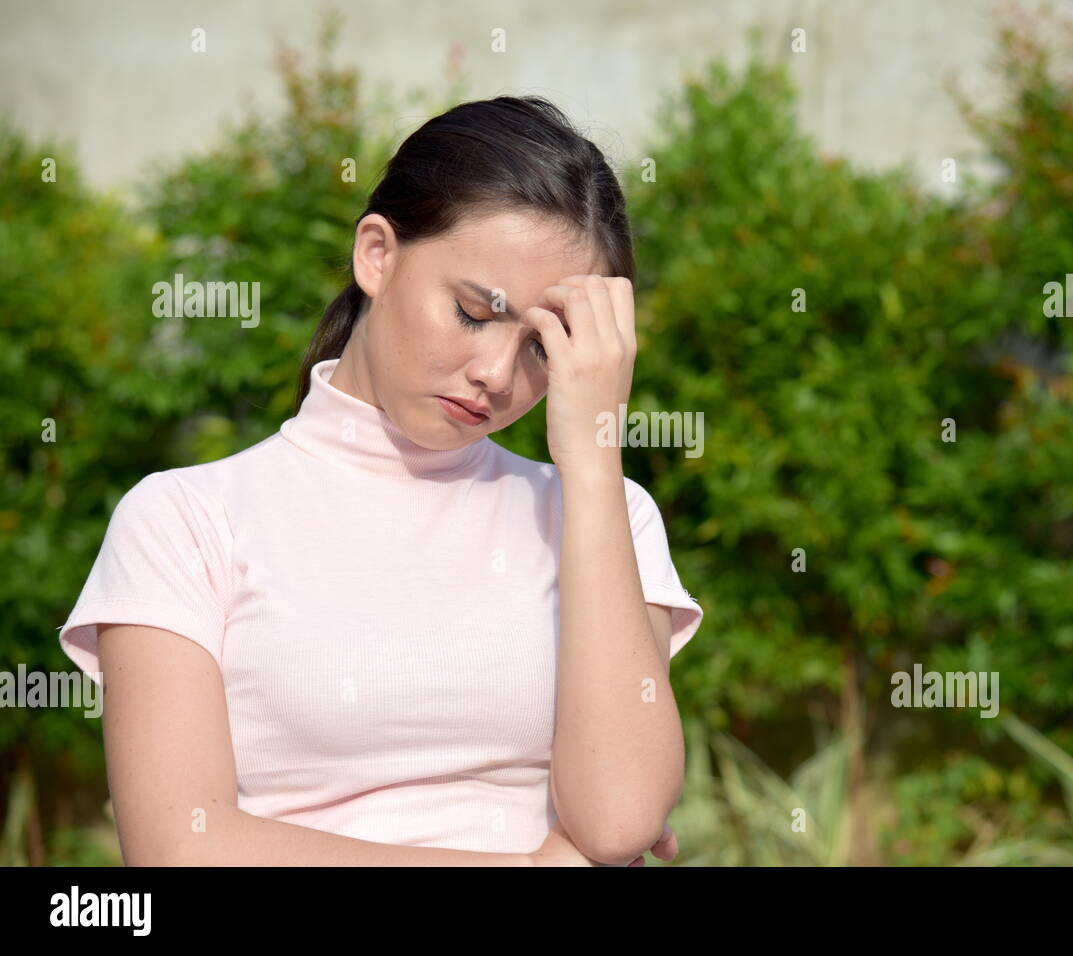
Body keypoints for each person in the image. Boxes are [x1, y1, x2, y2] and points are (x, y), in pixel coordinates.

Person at [58, 95, 703, 867]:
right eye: (473, 312)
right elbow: (179, 850)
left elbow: (620, 819)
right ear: (377, 254)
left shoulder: (608, 518)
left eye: (542, 347)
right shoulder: (185, 520)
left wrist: (594, 457)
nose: (496, 374)